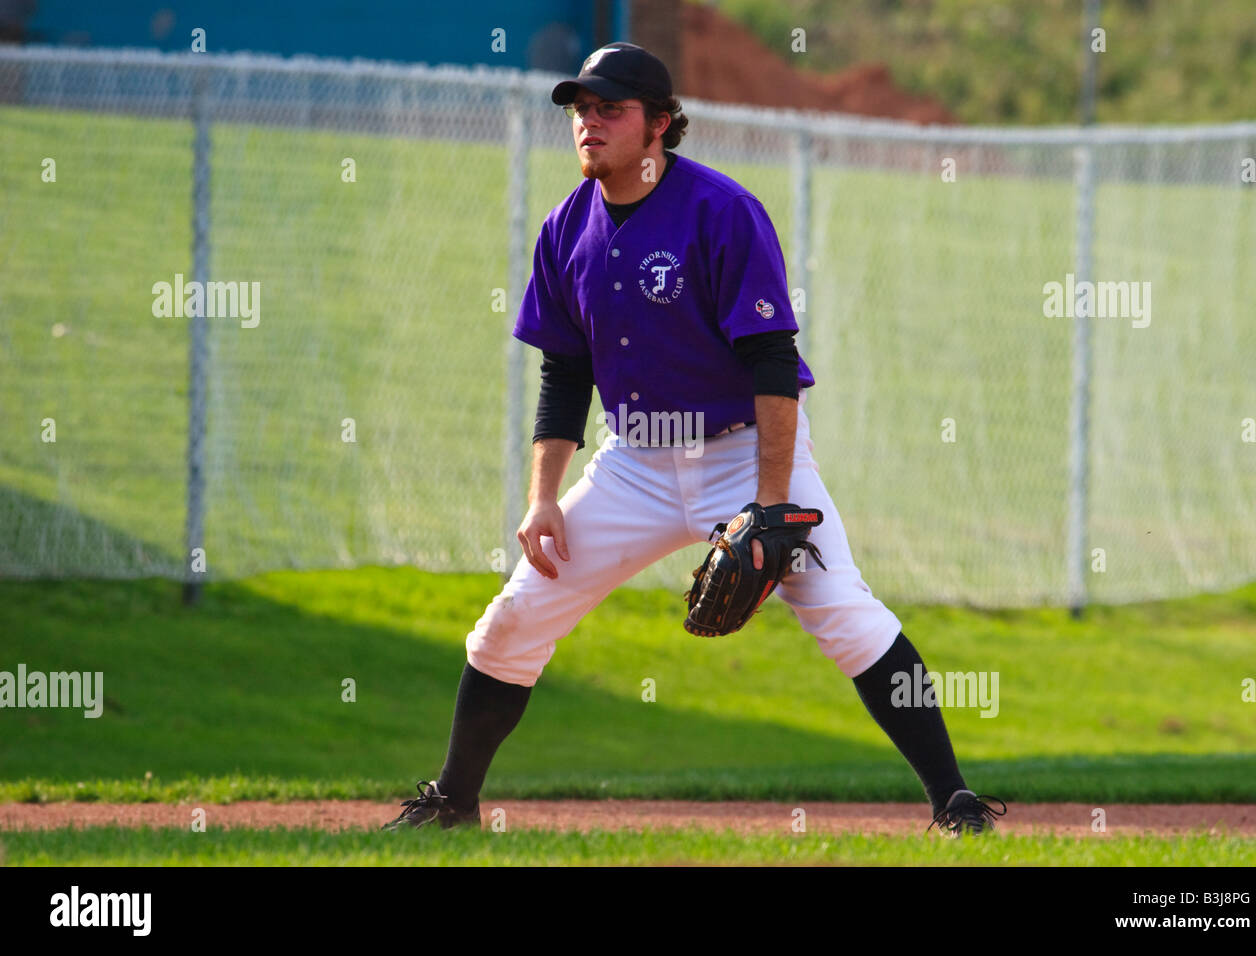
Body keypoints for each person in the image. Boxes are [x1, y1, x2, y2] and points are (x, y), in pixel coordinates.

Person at [384, 42, 1005, 837]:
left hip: (743, 453)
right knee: (514, 617)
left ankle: (954, 801)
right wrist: (542, 499)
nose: (589, 123)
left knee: (842, 609)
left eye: (611, 109)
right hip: (632, 465)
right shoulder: (564, 230)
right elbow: (564, 375)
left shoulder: (721, 212)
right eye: (581, 109)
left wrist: (771, 504)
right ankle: (453, 803)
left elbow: (774, 363)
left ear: (661, 126)